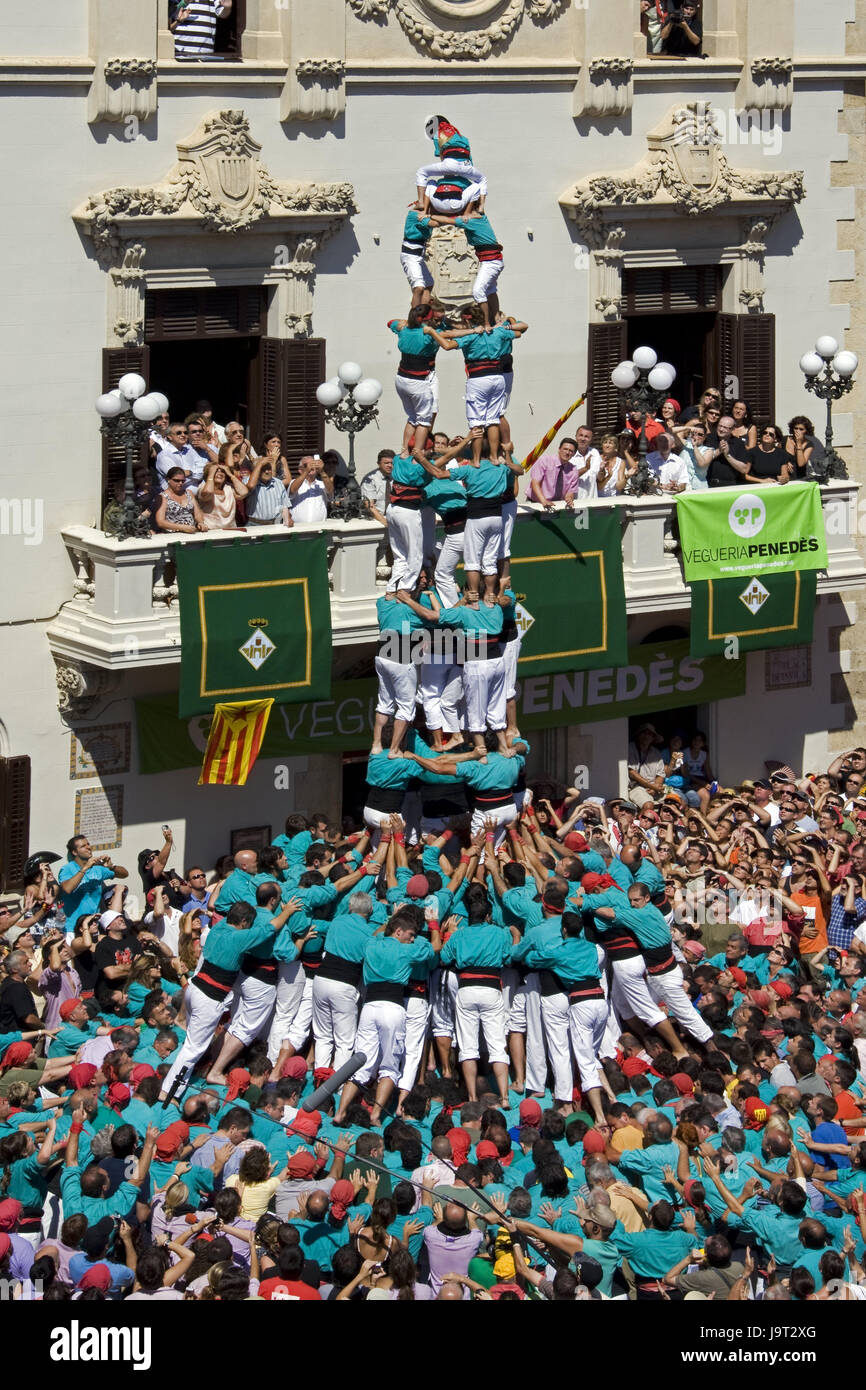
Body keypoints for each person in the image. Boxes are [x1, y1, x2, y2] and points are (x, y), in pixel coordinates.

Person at [195, 454, 247, 531]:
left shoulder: (228, 488)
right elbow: (208, 492)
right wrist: (211, 473)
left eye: (223, 472)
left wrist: (230, 474)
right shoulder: (203, 487)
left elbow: (244, 492)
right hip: (210, 531)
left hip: (230, 530)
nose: (220, 473)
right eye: (216, 471)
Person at [245, 457, 292, 528]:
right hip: (254, 524)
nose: (267, 471)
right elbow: (251, 486)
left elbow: (285, 505)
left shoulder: (278, 483)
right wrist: (260, 463)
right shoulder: (248, 481)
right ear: (256, 469)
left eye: (269, 469)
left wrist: (288, 519)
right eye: (263, 469)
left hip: (276, 524)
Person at [154, 467, 202, 534]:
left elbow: (197, 513)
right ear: (168, 479)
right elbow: (160, 522)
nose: (180, 483)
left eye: (183, 481)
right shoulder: (162, 497)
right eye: (176, 480)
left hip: (191, 533)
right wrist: (182, 527)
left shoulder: (189, 493)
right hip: (173, 535)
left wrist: (200, 523)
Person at [290, 455, 332, 524]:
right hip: (298, 528)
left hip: (319, 528)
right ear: (300, 470)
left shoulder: (322, 484)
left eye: (313, 463)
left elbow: (330, 490)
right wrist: (306, 471)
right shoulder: (294, 482)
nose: (311, 466)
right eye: (306, 465)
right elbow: (292, 490)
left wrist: (322, 471)